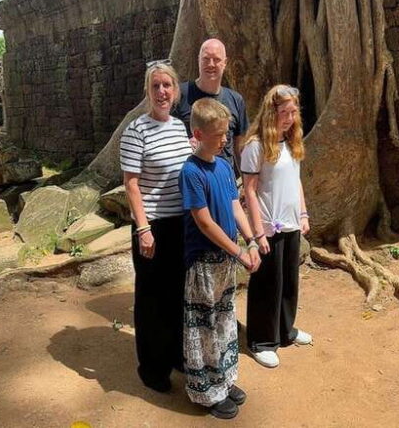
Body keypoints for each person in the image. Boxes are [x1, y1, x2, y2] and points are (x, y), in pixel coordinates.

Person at [179, 98, 262, 419]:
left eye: (227, 133)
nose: (225, 139)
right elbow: (203, 220)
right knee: (205, 324)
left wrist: (252, 240)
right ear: (198, 134)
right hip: (203, 261)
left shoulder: (224, 166)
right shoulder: (191, 171)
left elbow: (234, 206)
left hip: (226, 260)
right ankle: (207, 391)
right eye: (218, 135)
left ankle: (224, 380)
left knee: (225, 318)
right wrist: (237, 249)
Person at [120, 62, 193, 392]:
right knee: (152, 300)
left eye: (167, 86)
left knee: (178, 294)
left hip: (181, 225)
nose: (162, 92)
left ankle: (176, 354)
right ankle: (152, 368)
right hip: (152, 226)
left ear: (175, 90)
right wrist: (143, 229)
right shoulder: (136, 130)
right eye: (156, 86)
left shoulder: (179, 127)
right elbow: (131, 184)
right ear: (148, 92)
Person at [241, 84, 312, 368]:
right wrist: (257, 232)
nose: (290, 118)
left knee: (288, 283)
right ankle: (261, 340)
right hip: (269, 225)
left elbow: (296, 181)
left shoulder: (292, 141)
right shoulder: (256, 146)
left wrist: (304, 214)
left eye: (294, 112)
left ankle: (285, 331)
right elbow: (249, 191)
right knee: (267, 284)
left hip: (292, 223)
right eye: (284, 112)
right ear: (272, 113)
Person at [172, 39, 249, 170]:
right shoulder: (179, 95)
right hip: (191, 177)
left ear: (225, 63)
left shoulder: (236, 100)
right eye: (206, 59)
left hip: (224, 179)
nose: (211, 64)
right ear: (198, 60)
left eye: (217, 59)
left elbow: (240, 148)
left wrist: (247, 183)